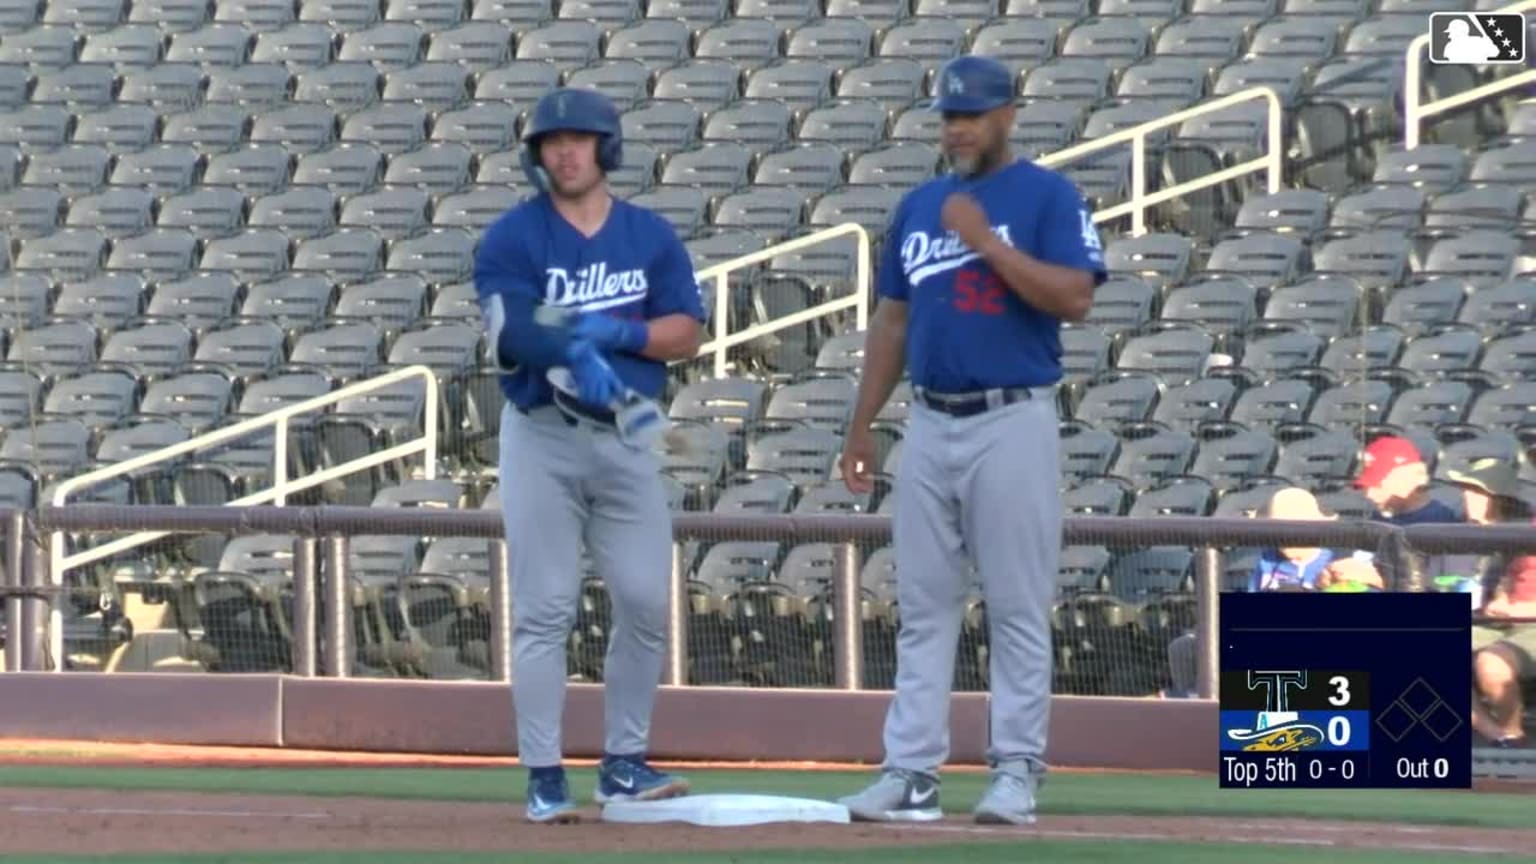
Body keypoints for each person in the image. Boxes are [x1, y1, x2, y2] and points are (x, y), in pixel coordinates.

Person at [835, 54, 1105, 826]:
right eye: (949, 116)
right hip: (929, 419)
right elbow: (892, 319)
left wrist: (986, 241)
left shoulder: (1045, 195)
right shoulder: (922, 205)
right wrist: (861, 424)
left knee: (1017, 603)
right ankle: (910, 770)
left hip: (1011, 414)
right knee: (923, 606)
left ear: (1008, 115)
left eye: (971, 115)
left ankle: (1016, 767)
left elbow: (1076, 297)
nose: (956, 128)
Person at [474, 86, 705, 823]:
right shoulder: (513, 237)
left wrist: (614, 336)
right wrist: (572, 341)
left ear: (606, 148)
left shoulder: (648, 236)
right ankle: (544, 773)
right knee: (544, 609)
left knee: (644, 600)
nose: (566, 152)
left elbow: (685, 331)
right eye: (552, 141)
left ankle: (623, 765)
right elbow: (514, 330)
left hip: (629, 433)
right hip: (543, 434)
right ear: (536, 154)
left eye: (579, 139)